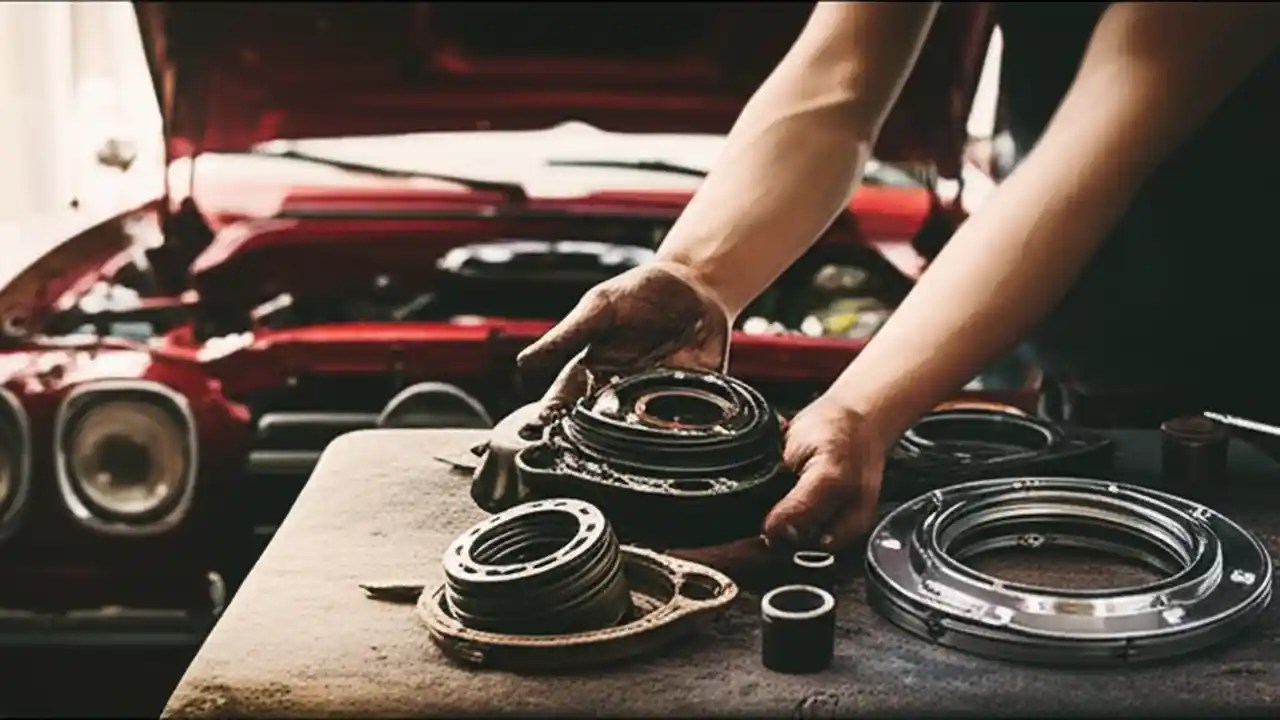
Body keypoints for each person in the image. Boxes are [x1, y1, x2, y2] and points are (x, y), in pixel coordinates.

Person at [517, 2, 1280, 553]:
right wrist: (695, 276)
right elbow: (839, 82)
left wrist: (860, 409)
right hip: (1091, 355)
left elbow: (1106, 130)